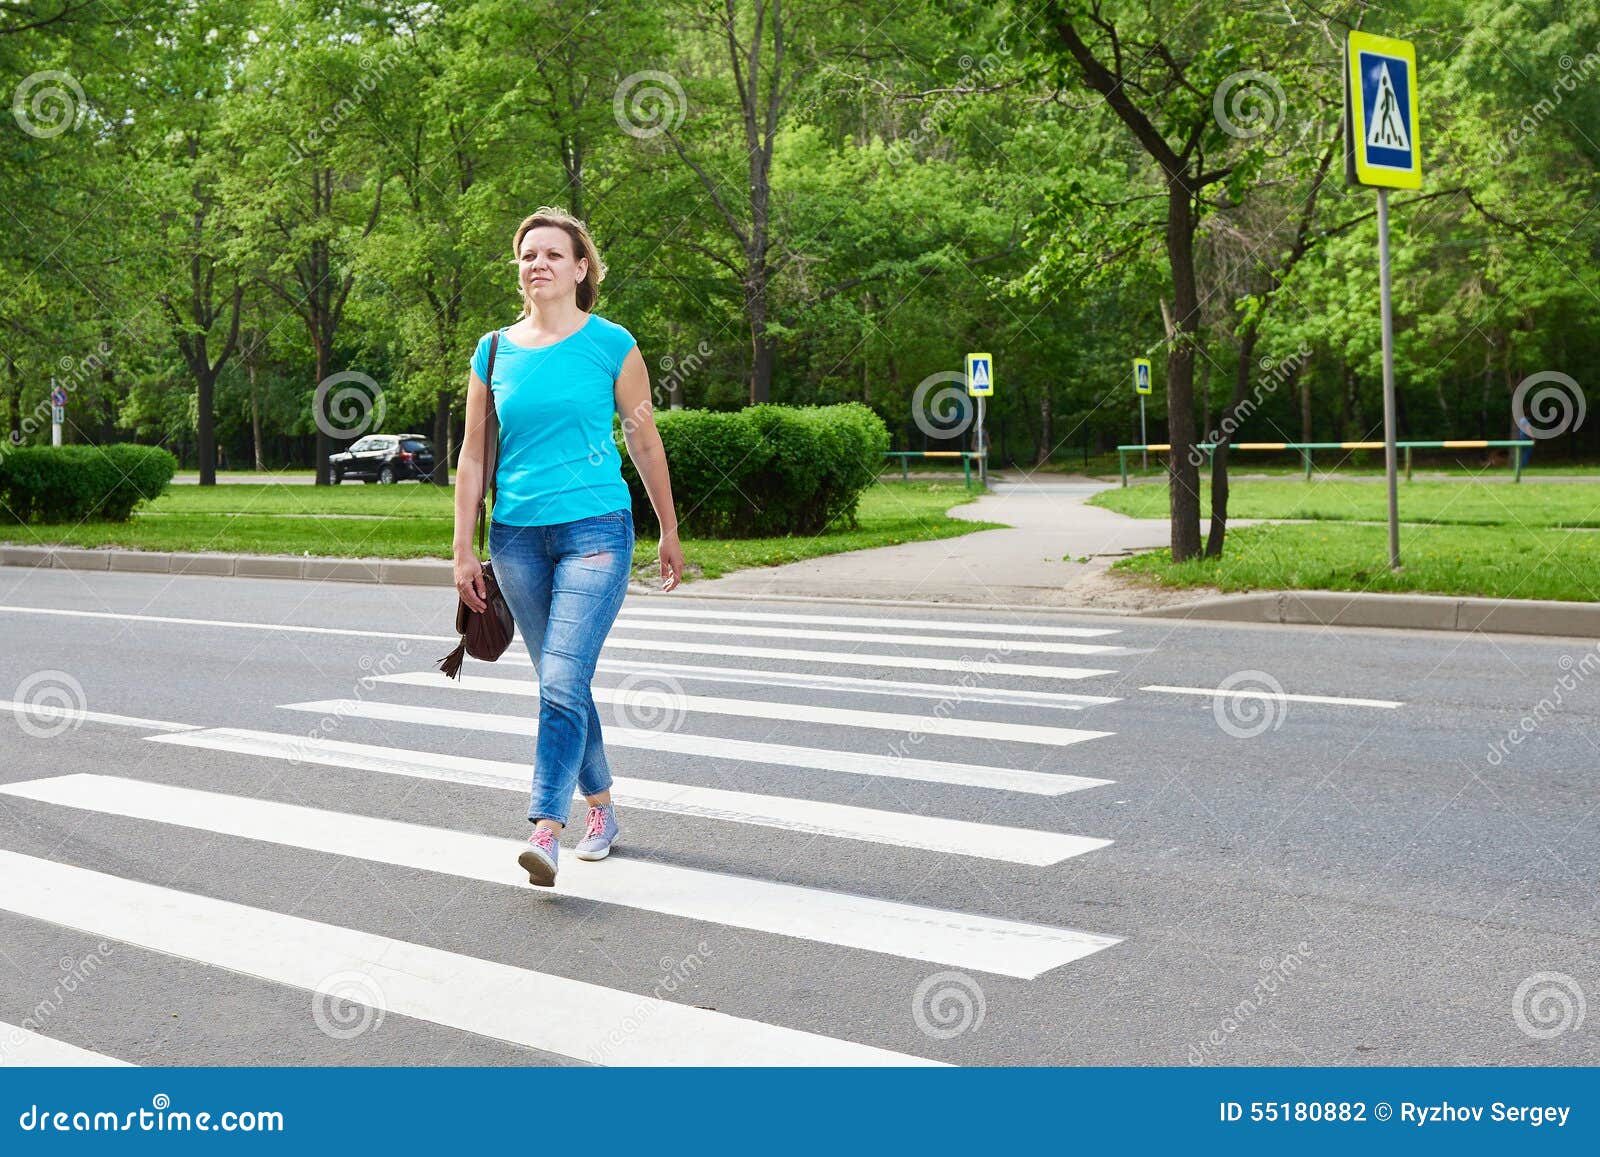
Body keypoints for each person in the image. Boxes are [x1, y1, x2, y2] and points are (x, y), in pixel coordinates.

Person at [453, 206, 685, 888]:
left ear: (581, 268)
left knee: (559, 679)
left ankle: (545, 828)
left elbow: (643, 439)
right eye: (528, 255)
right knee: (564, 680)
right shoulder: (492, 350)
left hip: (596, 531)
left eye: (554, 254)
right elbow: (473, 455)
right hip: (517, 538)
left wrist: (669, 527)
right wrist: (463, 548)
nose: (539, 264)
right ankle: (604, 809)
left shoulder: (611, 344)